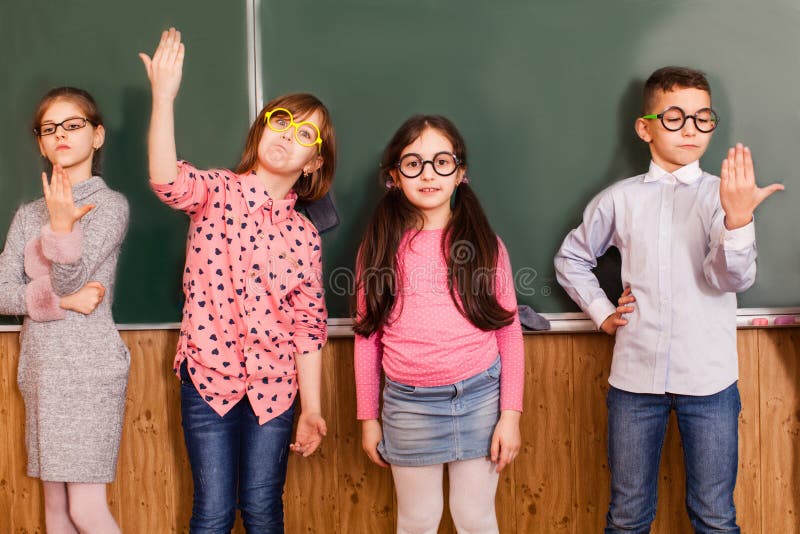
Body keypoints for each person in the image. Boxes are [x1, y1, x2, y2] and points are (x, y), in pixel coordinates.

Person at [555, 66, 784, 533]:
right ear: (645, 127)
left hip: (711, 381)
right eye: (675, 117)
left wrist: (738, 221)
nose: (691, 129)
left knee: (716, 516)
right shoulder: (619, 200)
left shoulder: (724, 197)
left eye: (703, 118)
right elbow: (571, 258)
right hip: (635, 381)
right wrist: (601, 313)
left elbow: (731, 277)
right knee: (627, 516)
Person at [140, 28, 334, 533]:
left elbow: (309, 330)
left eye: (304, 135)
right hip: (208, 380)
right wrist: (164, 99)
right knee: (213, 513)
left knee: (264, 509)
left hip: (275, 386)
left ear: (314, 163)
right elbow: (166, 180)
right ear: (260, 129)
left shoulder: (305, 236)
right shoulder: (215, 192)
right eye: (281, 121)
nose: (287, 136)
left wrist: (312, 407)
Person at [353, 115, 524, 534]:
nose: (428, 174)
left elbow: (508, 332)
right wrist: (368, 418)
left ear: (460, 172)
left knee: (476, 518)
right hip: (408, 405)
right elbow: (366, 339)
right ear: (394, 176)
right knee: (417, 520)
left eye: (441, 162)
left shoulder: (485, 244)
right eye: (413, 164)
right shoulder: (379, 247)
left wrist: (511, 415)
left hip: (480, 397)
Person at [0, 86, 130, 533]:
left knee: (85, 510)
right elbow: (2, 292)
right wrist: (60, 302)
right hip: (42, 370)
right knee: (55, 510)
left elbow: (71, 279)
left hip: (88, 370)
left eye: (73, 125)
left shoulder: (109, 206)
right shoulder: (26, 214)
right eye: (49, 128)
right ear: (40, 142)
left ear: (97, 136)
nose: (61, 135)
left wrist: (61, 227)